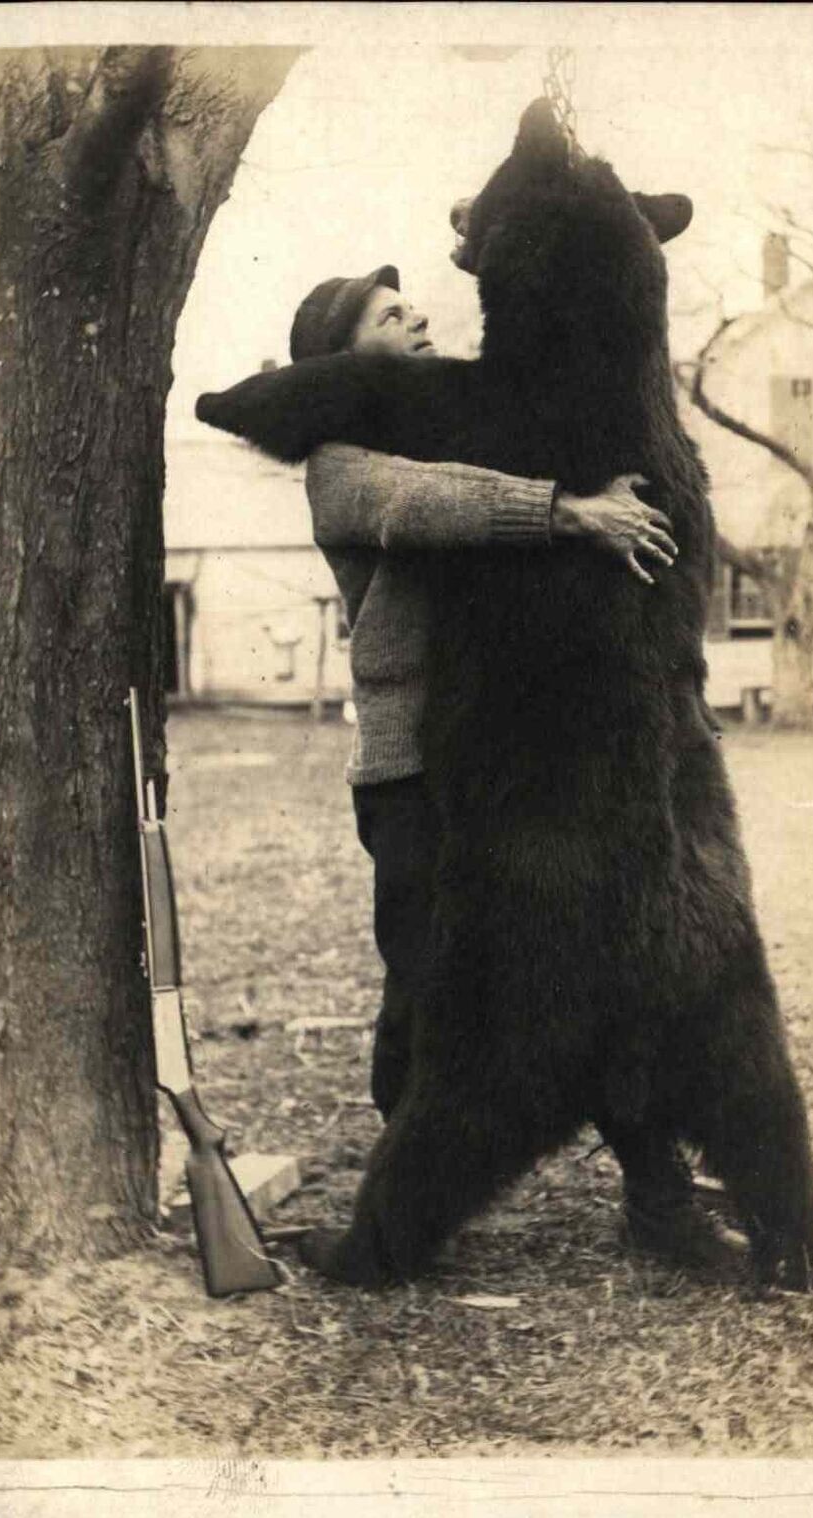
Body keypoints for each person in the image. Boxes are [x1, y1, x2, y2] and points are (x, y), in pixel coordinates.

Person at [288, 265, 736, 1271]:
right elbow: (433, 503)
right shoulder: (340, 464)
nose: (412, 315)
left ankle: (659, 1201)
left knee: (605, 968)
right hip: (412, 781)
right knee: (428, 992)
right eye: (384, 313)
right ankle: (399, 1224)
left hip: (514, 772)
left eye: (409, 304)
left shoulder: (467, 425)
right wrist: (567, 511)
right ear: (337, 358)